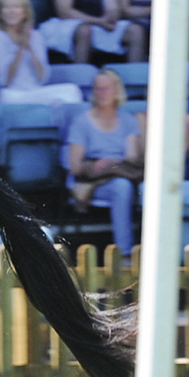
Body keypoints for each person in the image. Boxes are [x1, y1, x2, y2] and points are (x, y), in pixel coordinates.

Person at [66, 68, 142, 257]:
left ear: (117, 91)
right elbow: (75, 166)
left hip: (121, 171)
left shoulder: (128, 120)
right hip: (93, 180)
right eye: (98, 89)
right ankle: (124, 254)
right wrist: (95, 166)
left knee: (139, 187)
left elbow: (132, 156)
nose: (102, 93)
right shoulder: (81, 122)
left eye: (106, 88)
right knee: (122, 187)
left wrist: (112, 162)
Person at [0, 0, 81, 106]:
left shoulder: (36, 36)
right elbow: (4, 81)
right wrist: (20, 49)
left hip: (35, 91)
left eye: (16, 7)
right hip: (11, 94)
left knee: (72, 91)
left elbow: (43, 78)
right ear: (0, 12)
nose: (11, 11)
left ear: (25, 12)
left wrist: (30, 48)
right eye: (6, 7)